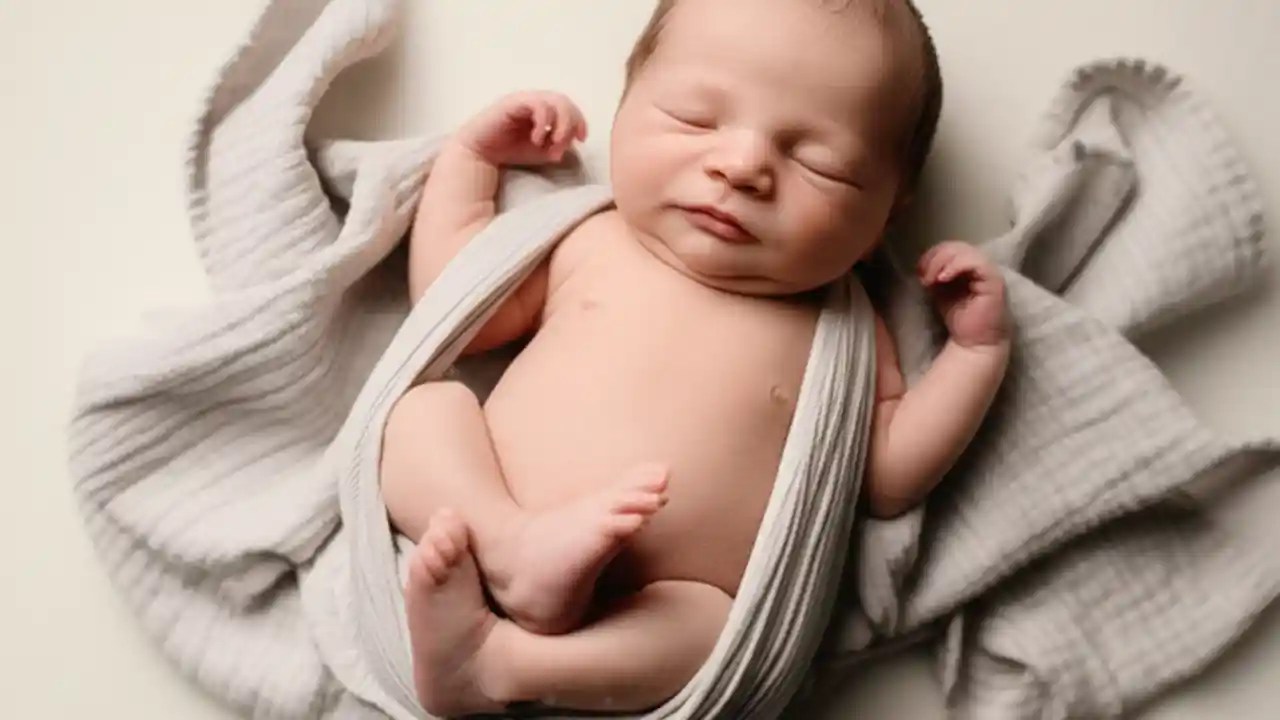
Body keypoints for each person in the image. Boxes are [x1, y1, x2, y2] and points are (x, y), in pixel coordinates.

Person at [379, 0, 1010, 714]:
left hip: (652, 613)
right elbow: (456, 304)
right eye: (696, 119)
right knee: (420, 413)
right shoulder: (593, 241)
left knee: (716, 631)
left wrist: (974, 353)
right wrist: (472, 163)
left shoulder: (845, 332)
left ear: (885, 216)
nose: (741, 168)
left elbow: (889, 476)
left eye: (818, 164)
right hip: (476, 534)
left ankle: (500, 666)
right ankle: (511, 545)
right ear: (626, 103)